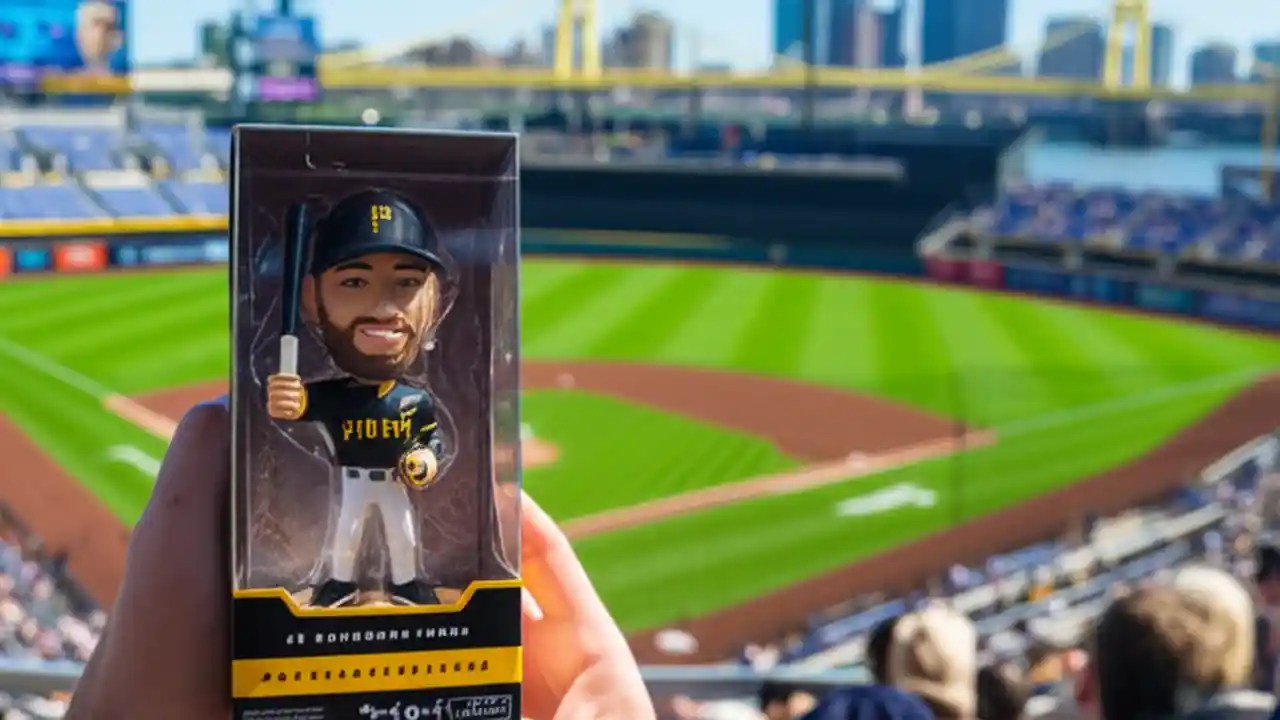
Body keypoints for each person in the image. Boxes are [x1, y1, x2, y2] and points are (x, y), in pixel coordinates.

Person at [65, 398, 656, 719]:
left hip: (396, 485)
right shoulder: (341, 394)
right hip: (349, 481)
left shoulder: (411, 398)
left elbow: (435, 439)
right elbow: (295, 408)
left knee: (402, 544)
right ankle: (337, 587)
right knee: (345, 544)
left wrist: (427, 459)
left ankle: (412, 590)